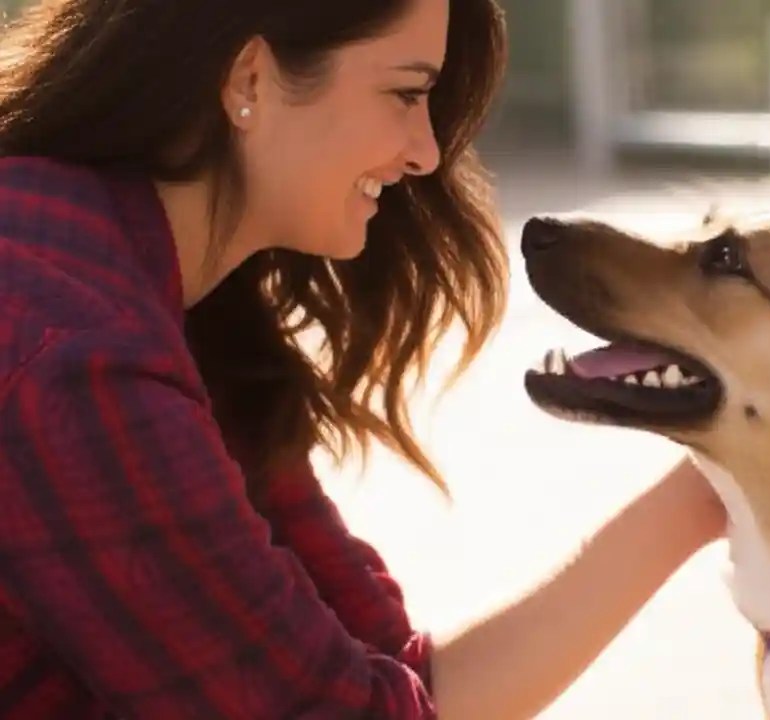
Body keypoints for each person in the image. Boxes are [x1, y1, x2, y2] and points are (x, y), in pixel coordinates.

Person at [0, 0, 726, 717]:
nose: (426, 151)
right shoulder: (74, 361)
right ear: (249, 79)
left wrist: (712, 485)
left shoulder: (164, 308)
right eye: (405, 93)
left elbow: (389, 679)